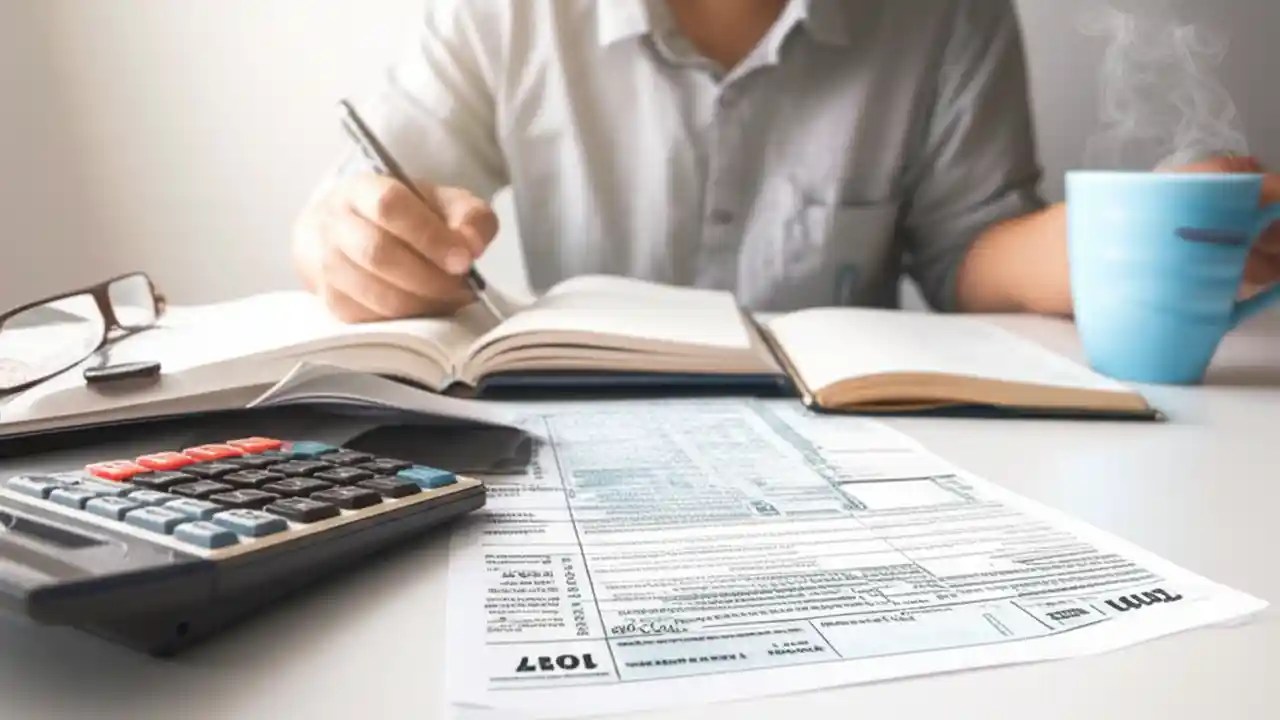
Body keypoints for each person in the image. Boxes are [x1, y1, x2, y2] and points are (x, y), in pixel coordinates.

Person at [291, 0, 1280, 322]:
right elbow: (371, 195)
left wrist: (1127, 238)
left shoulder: (944, 14)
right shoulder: (507, 15)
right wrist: (353, 241)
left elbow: (967, 255)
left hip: (867, 459)